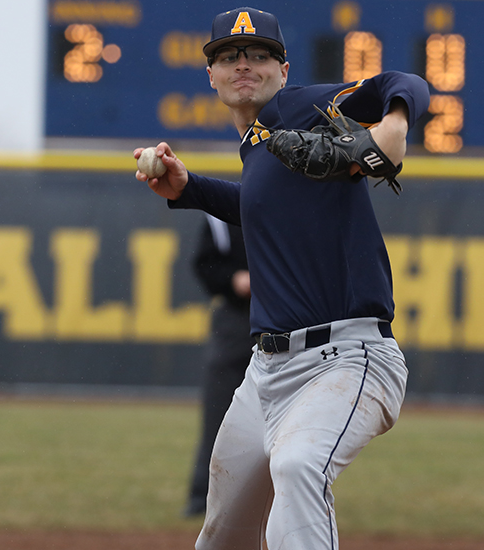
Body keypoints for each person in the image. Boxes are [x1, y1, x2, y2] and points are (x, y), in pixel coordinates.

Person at [134, 7, 429, 549]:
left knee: (297, 466)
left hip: (347, 358)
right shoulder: (258, 143)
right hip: (267, 373)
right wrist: (189, 189)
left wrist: (392, 124)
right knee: (222, 537)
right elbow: (265, 207)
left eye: (258, 55)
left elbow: (403, 82)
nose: (243, 64)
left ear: (284, 69)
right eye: (228, 56)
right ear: (212, 76)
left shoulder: (302, 108)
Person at [184, 214, 253, 518]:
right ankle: (203, 498)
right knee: (218, 412)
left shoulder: (296, 202)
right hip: (236, 319)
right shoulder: (222, 213)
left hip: (285, 321)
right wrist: (232, 278)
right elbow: (203, 263)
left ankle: (281, 501)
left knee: (285, 421)